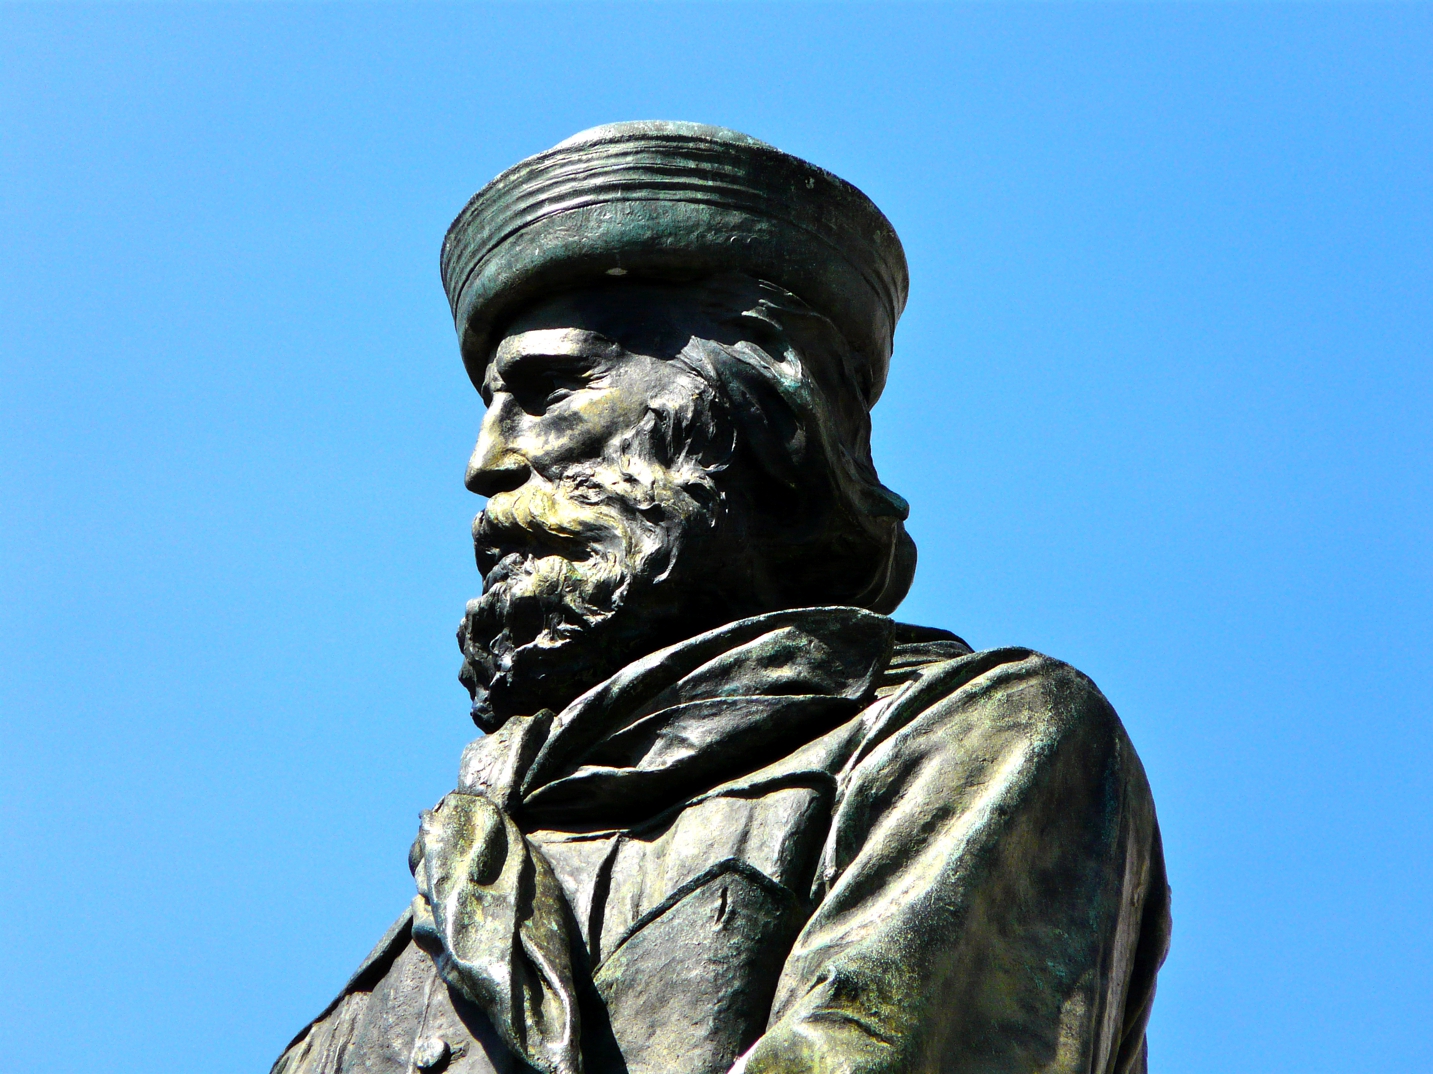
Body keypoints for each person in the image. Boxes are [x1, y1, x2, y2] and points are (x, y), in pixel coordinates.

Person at [273, 122, 1169, 1074]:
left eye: (550, 389)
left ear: (762, 398)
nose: (485, 464)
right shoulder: (445, 895)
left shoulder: (965, 740)